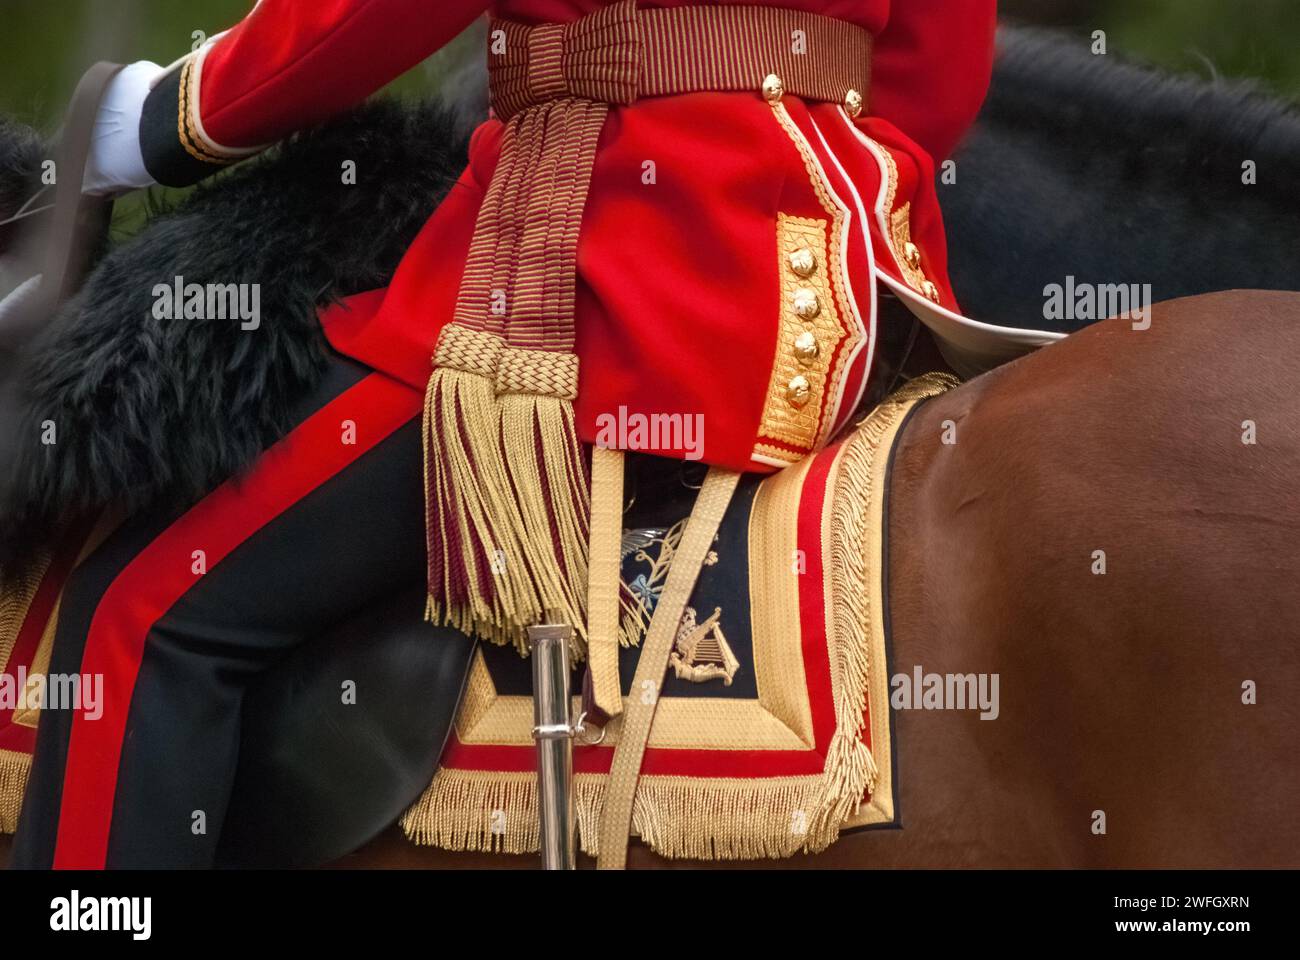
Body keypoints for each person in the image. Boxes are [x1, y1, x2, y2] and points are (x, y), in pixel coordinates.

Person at [12, 0, 996, 868]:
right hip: (841, 290)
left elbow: (369, 15)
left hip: (614, 271)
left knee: (136, 610)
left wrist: (164, 119)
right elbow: (939, 71)